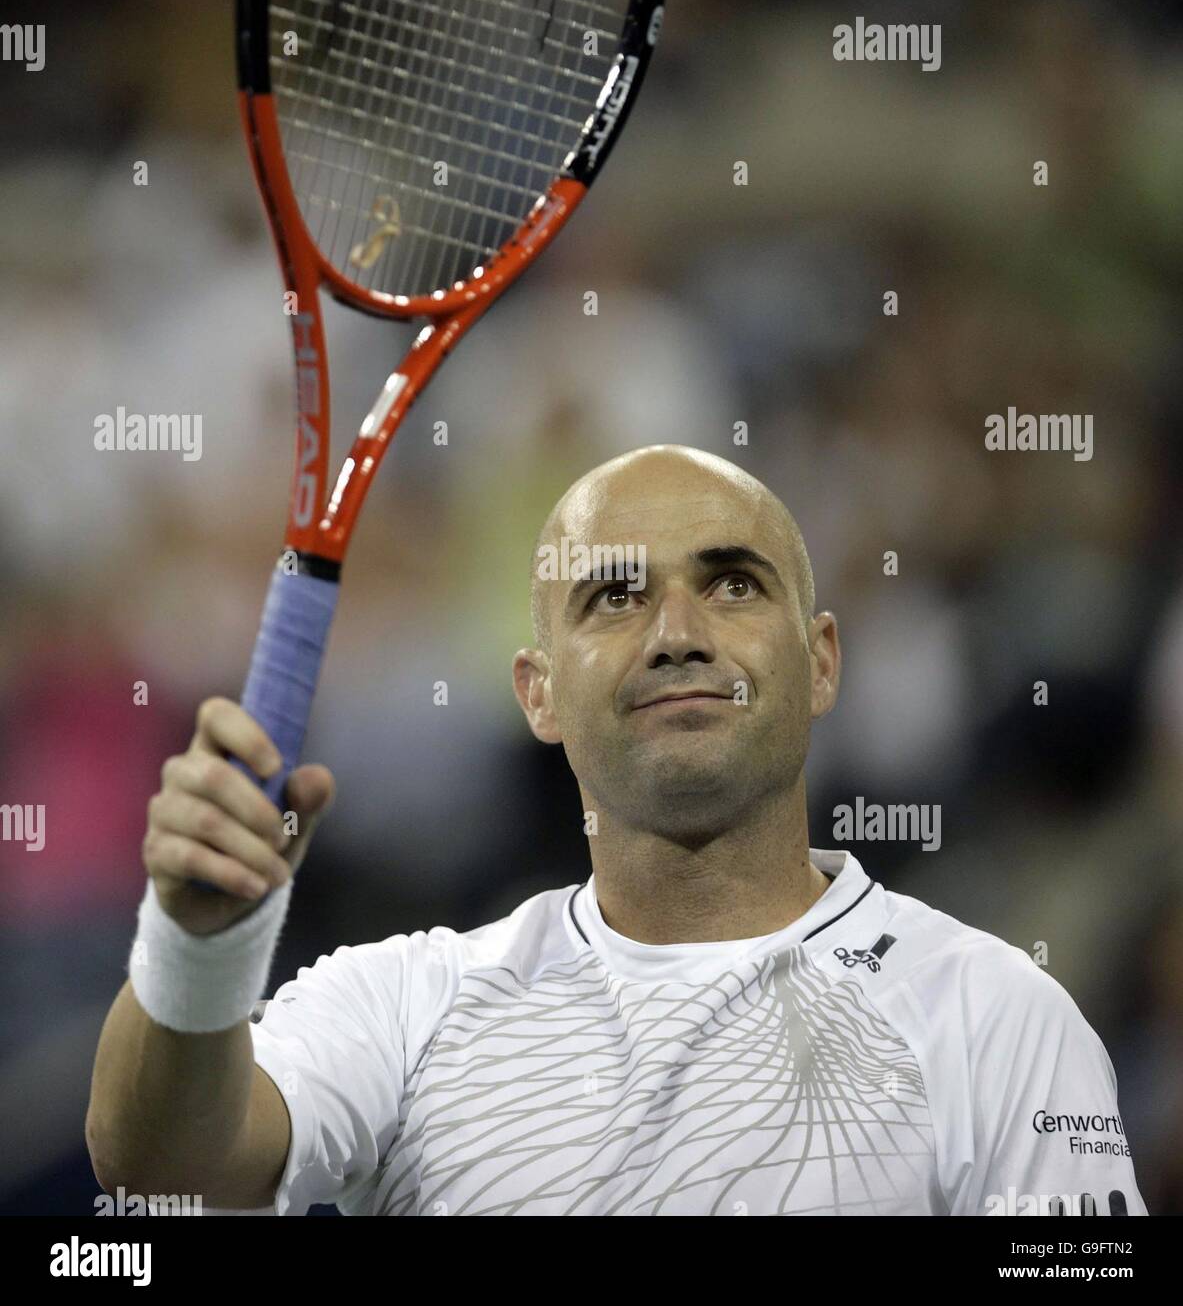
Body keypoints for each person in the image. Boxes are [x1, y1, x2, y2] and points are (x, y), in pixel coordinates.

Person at [86, 445, 1146, 1216]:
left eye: (731, 583)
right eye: (615, 596)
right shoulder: (402, 1004)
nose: (678, 634)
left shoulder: (1002, 1018)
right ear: (537, 695)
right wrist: (195, 947)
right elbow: (161, 1168)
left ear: (821, 660)